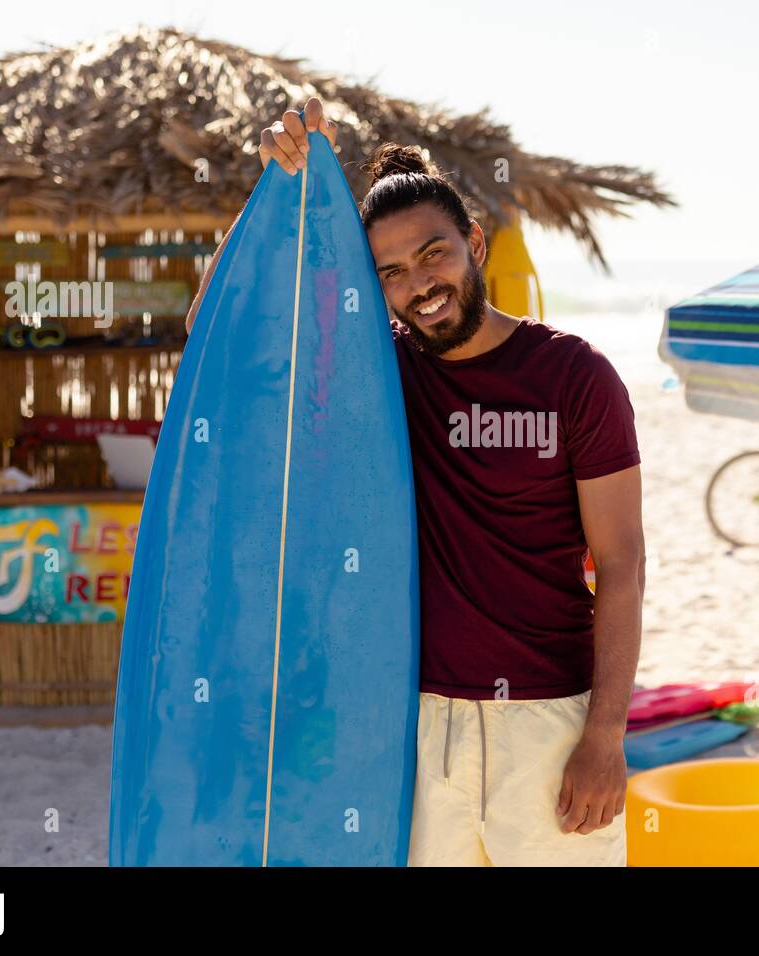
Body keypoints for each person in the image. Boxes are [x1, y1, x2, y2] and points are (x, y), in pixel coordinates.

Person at [184, 97, 645, 866]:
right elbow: (215, 336)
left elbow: (624, 563)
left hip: (552, 721)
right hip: (416, 727)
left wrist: (605, 736)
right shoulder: (378, 373)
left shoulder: (574, 376)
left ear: (474, 241)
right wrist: (270, 185)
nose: (420, 284)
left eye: (434, 254)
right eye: (392, 273)